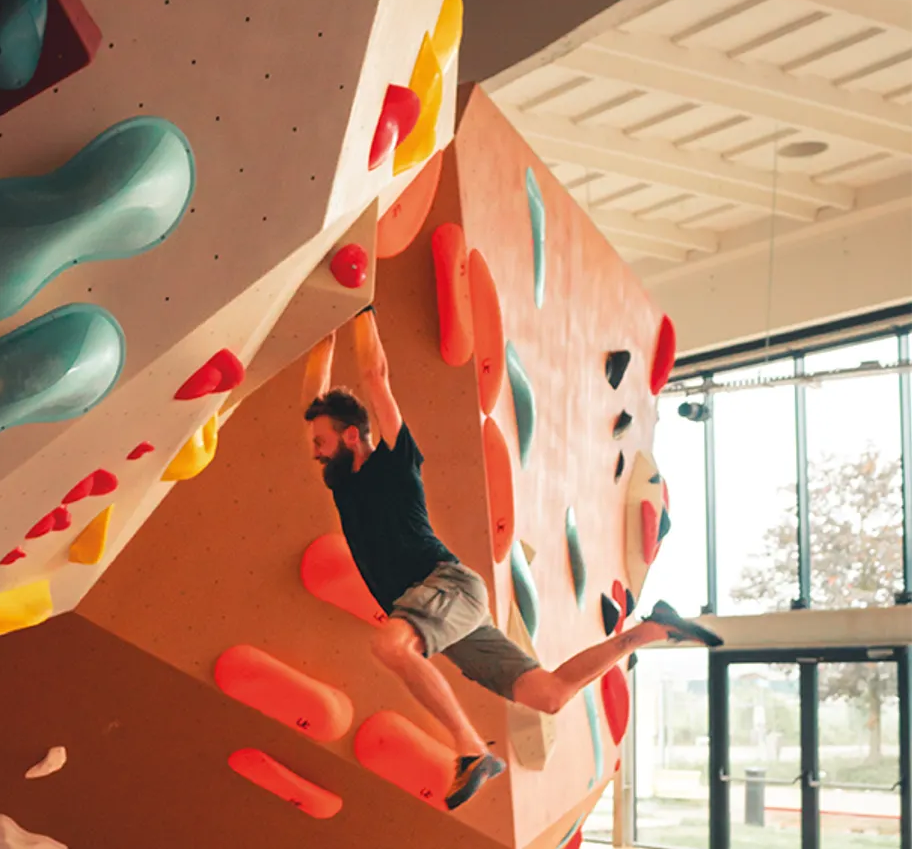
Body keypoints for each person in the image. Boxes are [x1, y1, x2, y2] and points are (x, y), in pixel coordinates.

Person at [305, 310, 719, 811]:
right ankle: (646, 632)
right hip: (438, 608)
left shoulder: (396, 460)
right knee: (548, 695)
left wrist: (361, 309)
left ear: (352, 435)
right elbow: (313, 400)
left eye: (322, 442)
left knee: (391, 645)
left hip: (445, 586)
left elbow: (375, 376)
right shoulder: (342, 484)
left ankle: (472, 752)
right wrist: (323, 329)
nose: (316, 452)